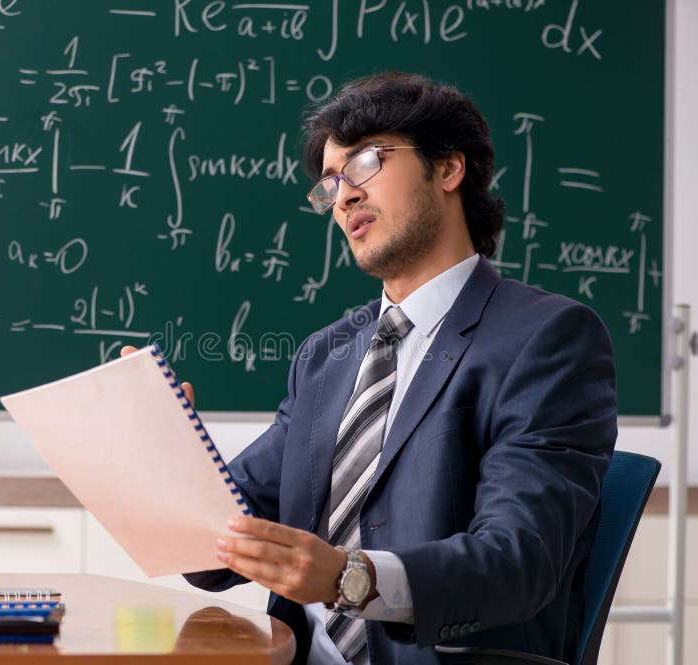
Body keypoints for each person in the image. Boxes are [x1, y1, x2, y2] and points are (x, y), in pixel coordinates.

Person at [134, 72, 618, 664]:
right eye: (330, 183)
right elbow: (220, 552)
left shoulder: (548, 338)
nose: (343, 196)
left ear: (448, 168)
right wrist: (169, 455)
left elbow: (518, 561)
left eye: (364, 163)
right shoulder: (326, 354)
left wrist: (347, 578)